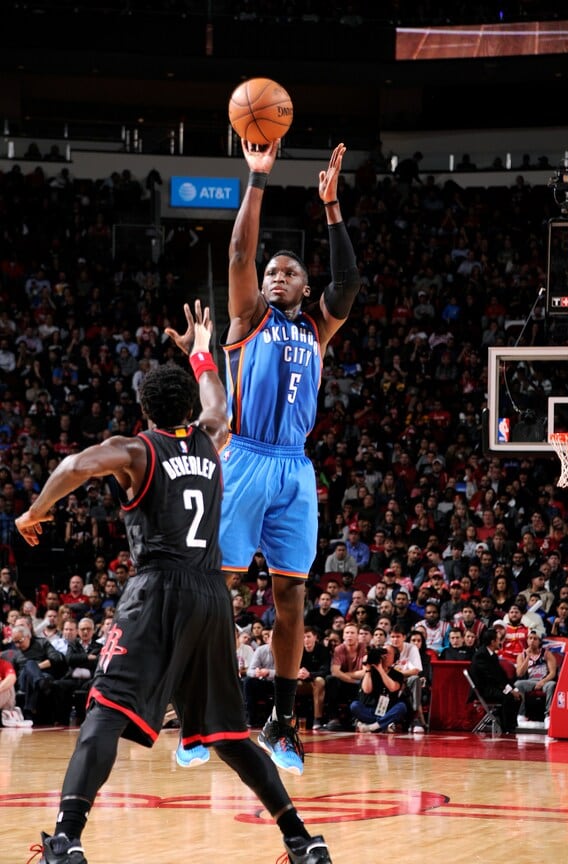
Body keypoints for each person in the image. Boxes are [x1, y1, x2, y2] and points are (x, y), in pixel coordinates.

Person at [15, 302, 332, 864]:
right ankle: (303, 842)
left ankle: (65, 838)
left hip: (157, 590)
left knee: (103, 713)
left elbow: (74, 466)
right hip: (211, 597)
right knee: (230, 736)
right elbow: (218, 403)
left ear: (144, 410)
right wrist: (200, 352)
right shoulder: (213, 438)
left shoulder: (137, 449)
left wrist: (34, 513)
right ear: (187, 408)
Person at [182, 137, 359, 776]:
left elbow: (349, 283)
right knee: (217, 590)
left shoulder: (316, 327)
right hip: (247, 459)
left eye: (289, 272)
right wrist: (257, 179)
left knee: (292, 597)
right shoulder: (247, 320)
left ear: (306, 287)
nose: (276, 276)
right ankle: (200, 712)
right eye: (271, 272)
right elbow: (239, 253)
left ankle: (281, 722)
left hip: (295, 467)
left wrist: (331, 207)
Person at [470, 628, 521, 734]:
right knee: (508, 697)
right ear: (492, 642)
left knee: (518, 696)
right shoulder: (481, 655)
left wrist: (513, 688)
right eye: (498, 640)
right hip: (484, 690)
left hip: (494, 687)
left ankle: (511, 725)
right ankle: (506, 728)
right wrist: (509, 691)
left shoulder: (492, 654)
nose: (500, 642)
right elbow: (492, 677)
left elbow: (502, 675)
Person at [351, 644, 408, 733]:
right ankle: (383, 724)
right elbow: (367, 690)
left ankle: (372, 726)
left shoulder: (398, 675)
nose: (384, 655)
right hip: (369, 709)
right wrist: (368, 670)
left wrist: (380, 669)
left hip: (387, 710)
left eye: (388, 653)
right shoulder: (370, 672)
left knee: (402, 707)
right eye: (383, 652)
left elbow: (392, 688)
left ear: (394, 658)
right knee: (355, 705)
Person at [514, 630, 557, 729]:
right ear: (527, 640)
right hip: (530, 681)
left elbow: (553, 673)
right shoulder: (522, 655)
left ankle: (548, 716)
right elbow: (519, 673)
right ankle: (521, 715)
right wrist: (527, 658)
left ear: (539, 641)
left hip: (545, 681)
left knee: (552, 685)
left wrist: (543, 681)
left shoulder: (546, 654)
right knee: (517, 684)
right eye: (530, 638)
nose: (532, 640)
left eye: (535, 639)